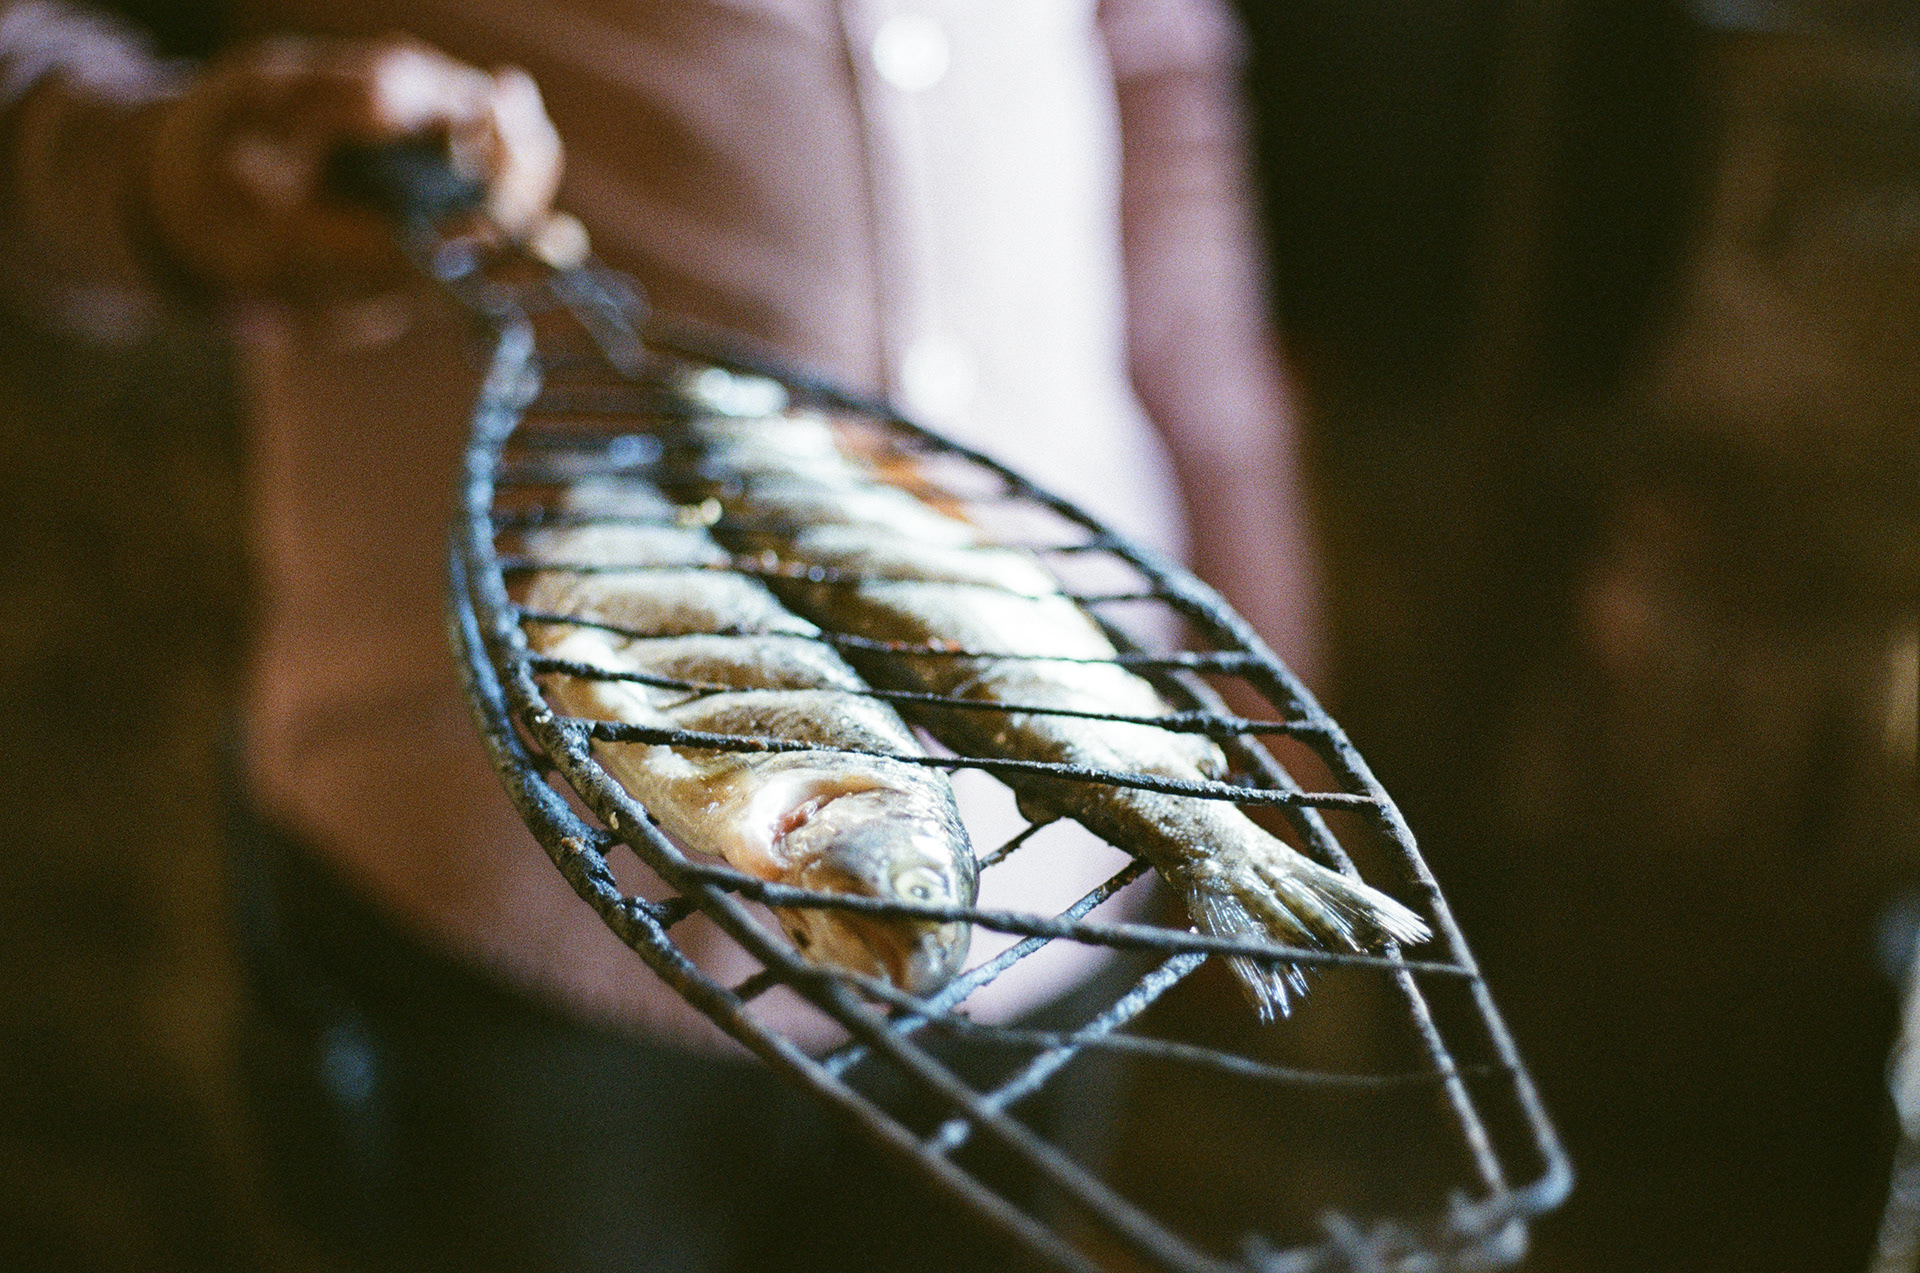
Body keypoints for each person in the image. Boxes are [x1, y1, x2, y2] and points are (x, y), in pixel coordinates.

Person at [0, 1, 1320, 1266]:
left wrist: (1255, 577)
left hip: (1061, 903)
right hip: (492, 914)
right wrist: (150, 175)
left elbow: (1155, 70)